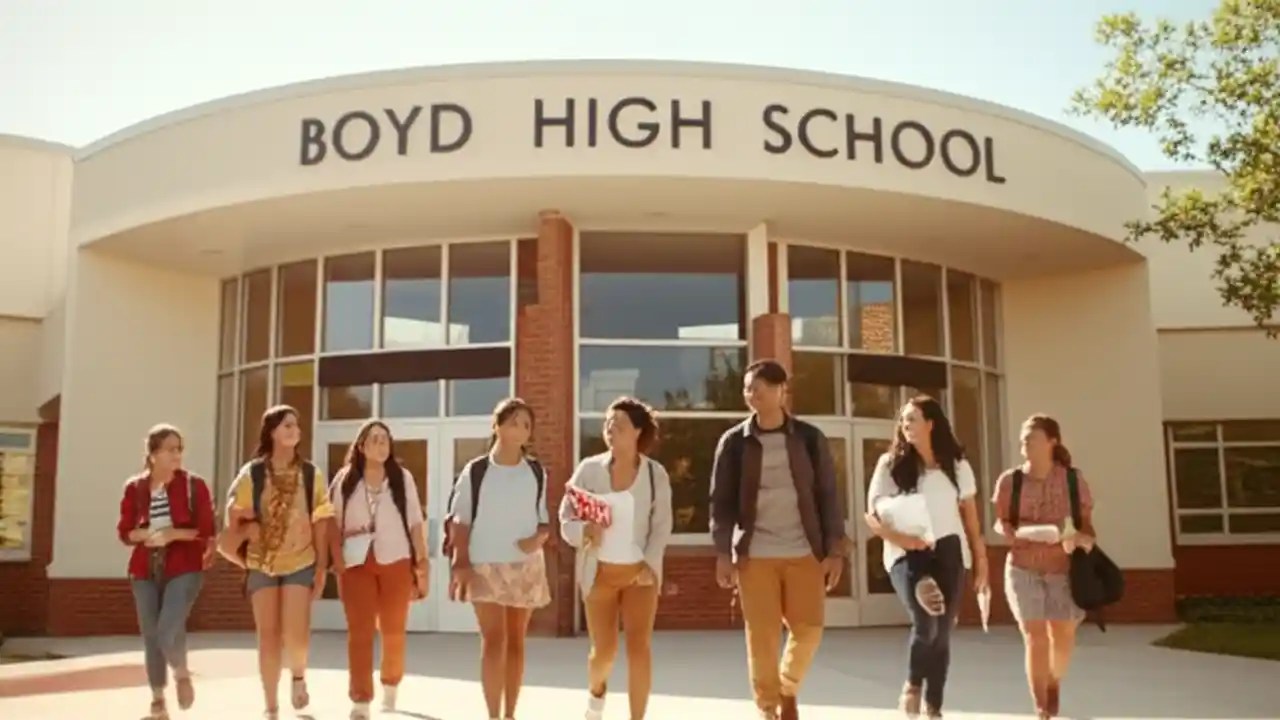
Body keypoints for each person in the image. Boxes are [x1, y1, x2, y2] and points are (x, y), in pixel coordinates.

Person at [708, 359, 847, 720]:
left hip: (805, 549)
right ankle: (768, 709)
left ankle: (786, 687)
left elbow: (829, 496)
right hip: (756, 554)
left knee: (810, 631)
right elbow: (720, 503)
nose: (749, 394)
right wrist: (723, 552)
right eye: (746, 388)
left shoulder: (809, 438)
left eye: (757, 387)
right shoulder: (734, 443)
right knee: (762, 637)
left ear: (780, 390)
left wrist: (835, 549)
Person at [865, 395, 989, 719]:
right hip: (907, 553)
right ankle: (911, 686)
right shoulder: (890, 465)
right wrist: (904, 539)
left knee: (943, 631)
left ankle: (933, 707)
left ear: (931, 424)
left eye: (913, 419)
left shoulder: (957, 466)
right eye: (903, 420)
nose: (906, 425)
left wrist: (981, 560)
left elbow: (971, 520)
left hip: (950, 550)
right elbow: (873, 518)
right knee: (926, 622)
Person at [560, 397, 674, 720]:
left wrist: (651, 566)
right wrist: (583, 530)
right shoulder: (588, 469)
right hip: (599, 576)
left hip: (640, 577)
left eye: (620, 424)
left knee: (639, 650)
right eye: (608, 422)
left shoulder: (655, 474)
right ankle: (596, 694)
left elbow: (662, 525)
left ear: (638, 431)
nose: (611, 428)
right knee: (604, 654)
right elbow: (566, 514)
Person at [224, 405, 333, 719]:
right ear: (271, 431)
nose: (294, 430)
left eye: (296, 425)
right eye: (287, 425)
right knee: (268, 634)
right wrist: (247, 525)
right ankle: (271, 707)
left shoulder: (311, 473)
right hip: (261, 562)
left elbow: (322, 518)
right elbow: (233, 514)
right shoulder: (253, 473)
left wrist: (322, 566)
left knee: (296, 632)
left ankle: (298, 676)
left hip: (301, 561)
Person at [446, 397, 552, 720]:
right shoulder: (476, 470)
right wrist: (460, 563)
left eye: (526, 424)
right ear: (497, 426)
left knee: (517, 642)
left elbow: (544, 519)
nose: (520, 429)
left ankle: (510, 715)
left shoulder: (535, 471)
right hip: (485, 564)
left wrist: (539, 538)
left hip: (526, 565)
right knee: (494, 640)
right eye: (514, 421)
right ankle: (493, 715)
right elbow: (459, 520)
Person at [993, 414, 1097, 719]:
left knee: (1061, 635)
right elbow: (1001, 523)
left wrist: (1075, 538)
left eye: (1032, 437)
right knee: (1034, 635)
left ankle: (1053, 685)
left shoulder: (1072, 481)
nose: (1024, 442)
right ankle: (1042, 708)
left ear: (1052, 442)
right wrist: (1011, 532)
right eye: (1023, 437)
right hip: (1022, 566)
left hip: (1062, 569)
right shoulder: (1009, 481)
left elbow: (1089, 531)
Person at [329, 420, 429, 720]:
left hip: (396, 559)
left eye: (384, 440)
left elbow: (414, 521)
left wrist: (421, 560)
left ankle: (390, 684)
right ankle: (360, 699)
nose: (380, 445)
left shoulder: (402, 478)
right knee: (359, 631)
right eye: (373, 440)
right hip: (356, 563)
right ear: (361, 446)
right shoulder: (345, 480)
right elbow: (331, 523)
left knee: (393, 629)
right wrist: (335, 560)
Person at [116, 424, 215, 720]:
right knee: (151, 635)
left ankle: (182, 674)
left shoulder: (193, 486)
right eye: (170, 449)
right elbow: (124, 532)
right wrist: (145, 534)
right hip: (144, 568)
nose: (176, 455)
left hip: (184, 566)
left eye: (179, 449)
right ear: (153, 454)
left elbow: (206, 530)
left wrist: (173, 534)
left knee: (167, 629)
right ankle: (158, 702)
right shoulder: (135, 488)